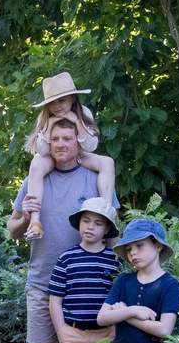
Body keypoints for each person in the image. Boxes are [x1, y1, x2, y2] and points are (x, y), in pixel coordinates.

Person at [8, 118, 119, 343]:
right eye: (56, 139)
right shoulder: (35, 180)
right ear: (49, 142)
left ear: (77, 140)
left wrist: (118, 268)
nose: (61, 144)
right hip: (42, 279)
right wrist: (24, 218)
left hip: (87, 282)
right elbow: (11, 228)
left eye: (67, 138)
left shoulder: (95, 179)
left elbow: (112, 227)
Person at [22, 72, 116, 240]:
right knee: (36, 164)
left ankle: (106, 210)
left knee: (107, 162)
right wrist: (49, 125)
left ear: (72, 98)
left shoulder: (83, 112)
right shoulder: (44, 117)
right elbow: (43, 150)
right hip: (51, 156)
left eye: (62, 100)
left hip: (80, 154)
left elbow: (90, 146)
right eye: (52, 102)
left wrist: (77, 121)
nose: (57, 106)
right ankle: (35, 221)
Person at [47, 197, 119, 343]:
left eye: (98, 223)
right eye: (86, 221)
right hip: (72, 332)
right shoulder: (67, 258)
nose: (90, 227)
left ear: (106, 229)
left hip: (104, 335)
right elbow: (55, 301)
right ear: (79, 223)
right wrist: (62, 332)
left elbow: (119, 301)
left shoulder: (114, 261)